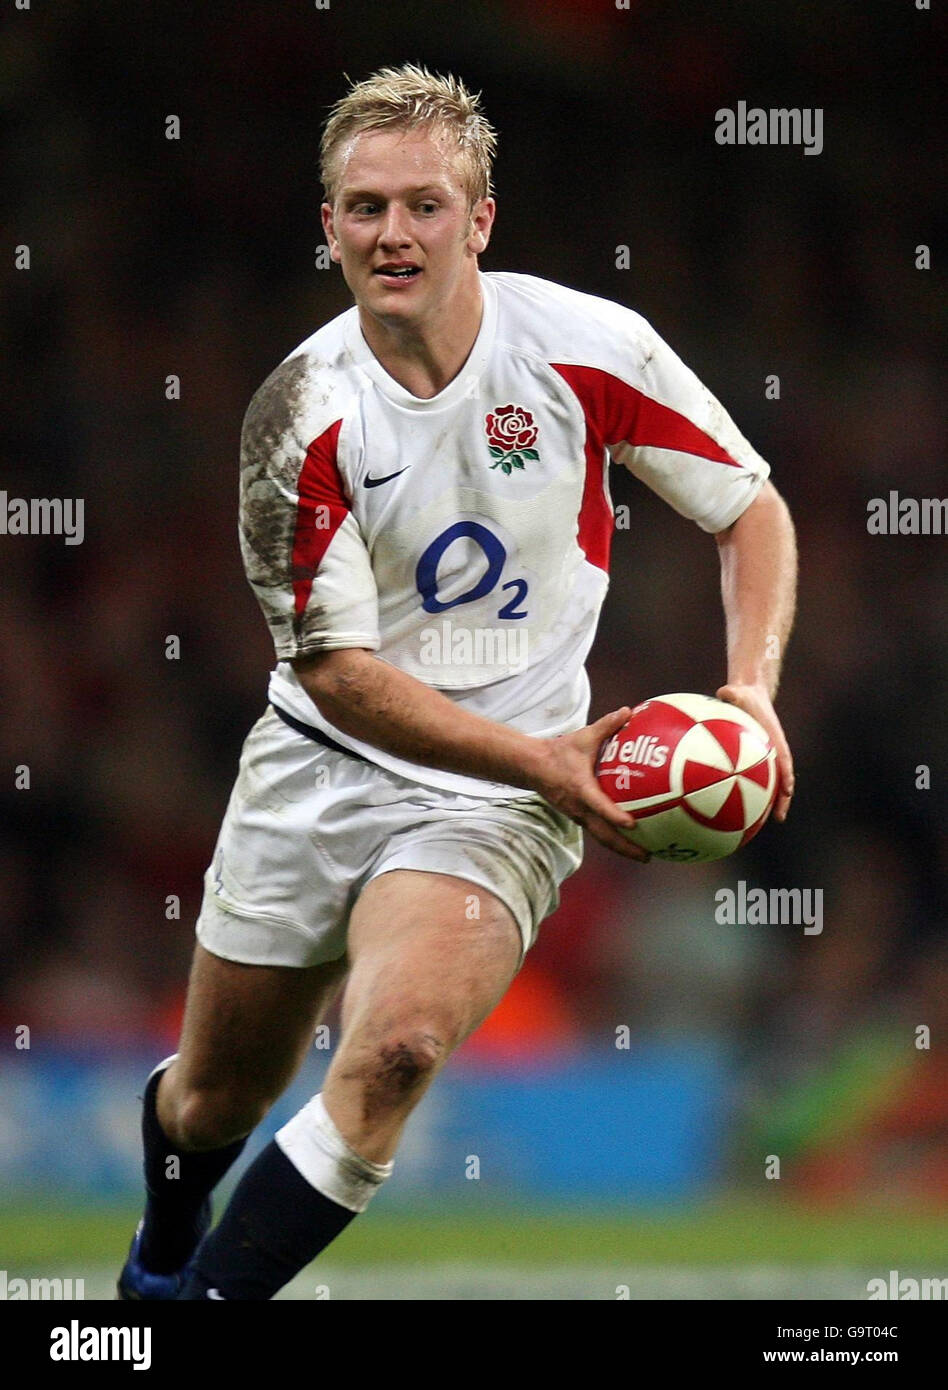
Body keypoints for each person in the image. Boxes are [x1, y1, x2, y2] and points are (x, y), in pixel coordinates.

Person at [118, 63, 796, 1301]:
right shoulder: (301, 414)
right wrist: (548, 763)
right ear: (327, 225)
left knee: (395, 1053)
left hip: (500, 793)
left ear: (479, 218)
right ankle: (164, 1249)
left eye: (425, 204)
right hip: (323, 760)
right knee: (213, 1095)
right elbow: (334, 672)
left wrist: (749, 690)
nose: (394, 233)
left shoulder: (590, 350)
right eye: (365, 207)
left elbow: (750, 510)